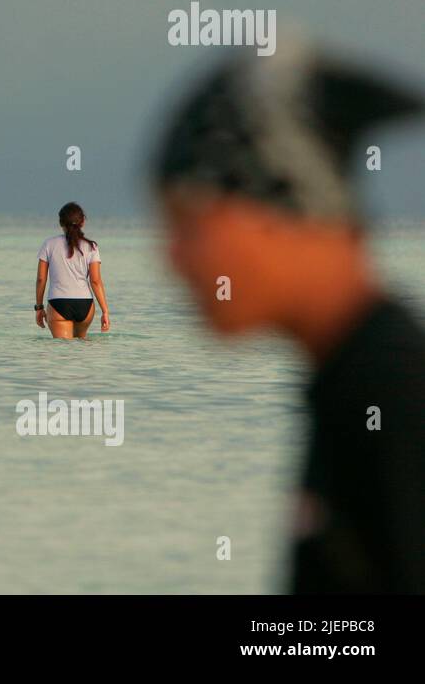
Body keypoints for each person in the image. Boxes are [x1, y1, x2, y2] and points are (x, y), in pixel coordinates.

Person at [149, 44, 425, 593]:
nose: (172, 258)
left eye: (190, 222)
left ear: (283, 210)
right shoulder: (352, 376)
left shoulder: (392, 389)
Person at [35, 202, 111, 338]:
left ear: (61, 223)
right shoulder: (91, 246)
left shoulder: (49, 244)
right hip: (85, 305)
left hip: (59, 303)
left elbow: (41, 279)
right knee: (81, 352)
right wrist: (105, 311)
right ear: (83, 222)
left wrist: (39, 307)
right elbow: (95, 281)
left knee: (63, 353)